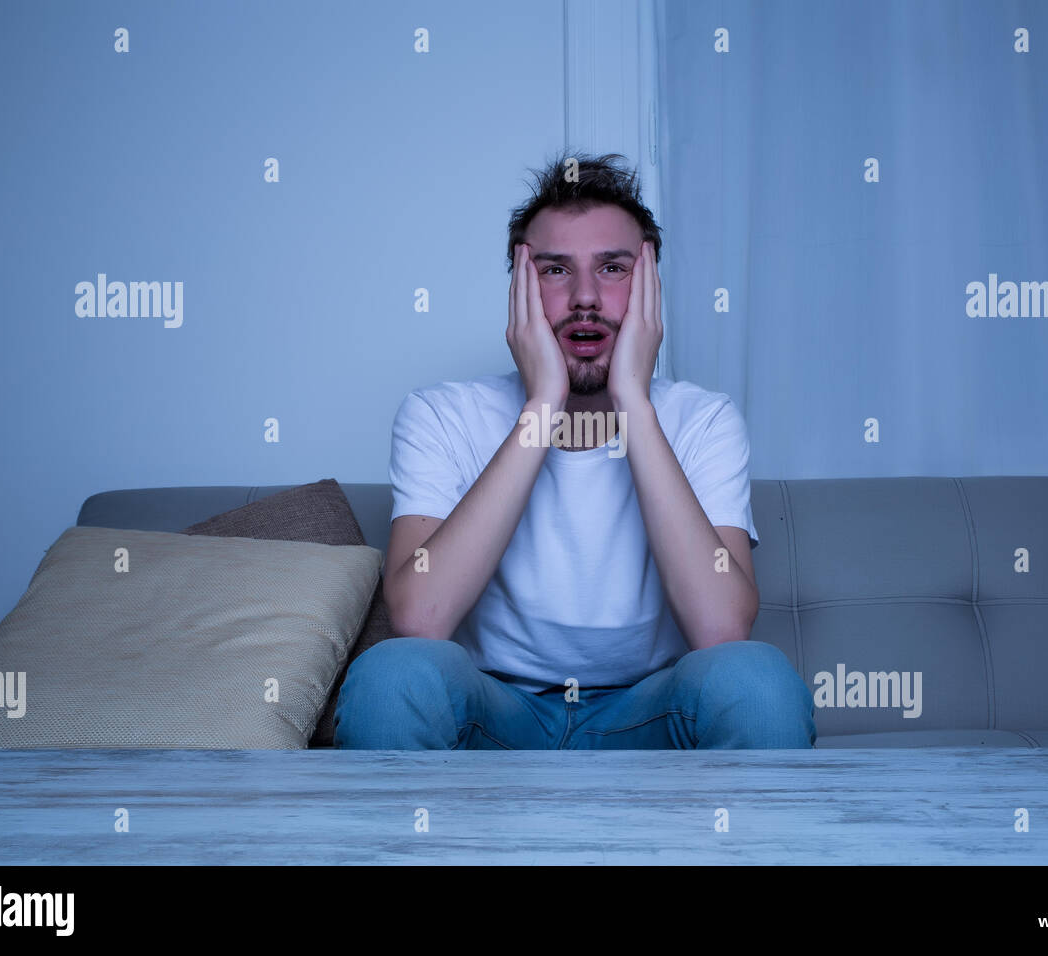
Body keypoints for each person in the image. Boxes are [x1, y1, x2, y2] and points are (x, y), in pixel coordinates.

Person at [333, 152, 816, 749]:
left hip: (649, 714)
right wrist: (543, 405)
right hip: (496, 712)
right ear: (519, 291)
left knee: (757, 679)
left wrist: (634, 403)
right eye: (556, 271)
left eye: (613, 268)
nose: (585, 297)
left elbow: (721, 628)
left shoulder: (704, 420)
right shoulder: (440, 415)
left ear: (650, 287)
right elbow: (419, 620)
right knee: (392, 675)